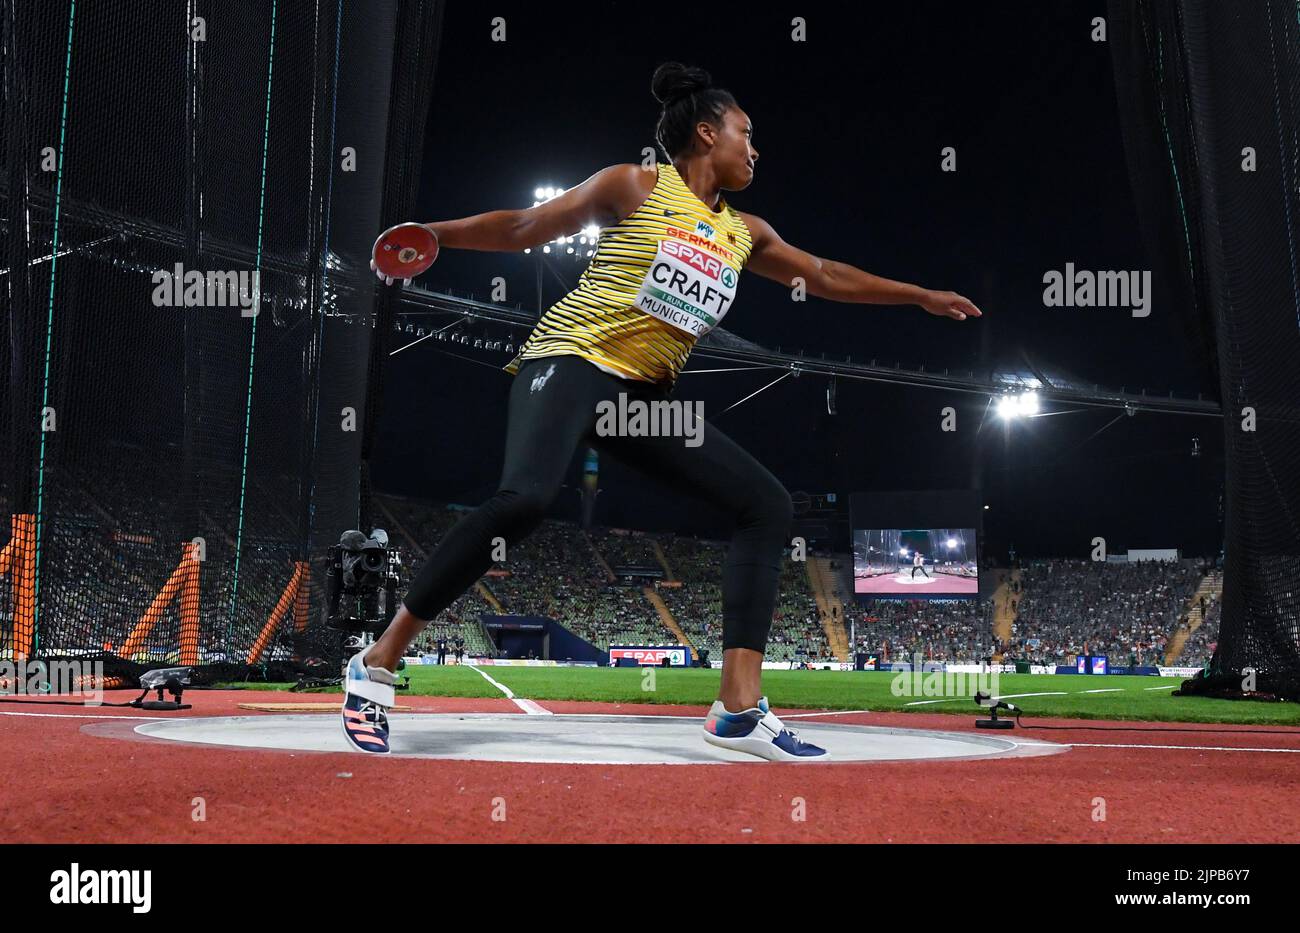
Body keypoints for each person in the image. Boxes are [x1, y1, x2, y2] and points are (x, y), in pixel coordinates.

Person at [342, 62, 981, 758]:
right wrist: (434, 234)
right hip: (572, 361)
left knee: (765, 504)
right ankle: (375, 662)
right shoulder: (636, 185)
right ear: (708, 132)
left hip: (641, 399)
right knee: (523, 501)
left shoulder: (746, 233)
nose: (755, 148)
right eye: (746, 133)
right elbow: (528, 223)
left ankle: (738, 706)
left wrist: (917, 294)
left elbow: (824, 274)